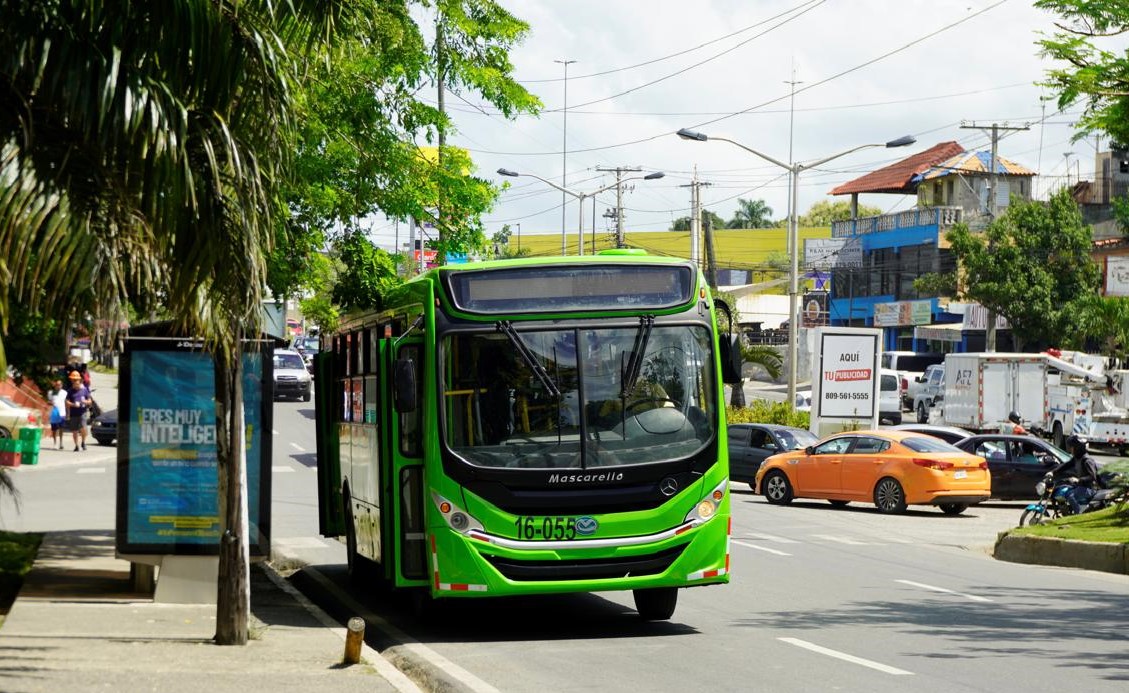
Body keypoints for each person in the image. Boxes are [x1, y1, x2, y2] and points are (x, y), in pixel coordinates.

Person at [1052, 435, 1106, 514]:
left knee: (1071, 496)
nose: (1070, 449)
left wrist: (1078, 480)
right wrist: (1053, 472)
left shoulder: (1087, 460)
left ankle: (1079, 515)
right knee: (1062, 491)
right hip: (1081, 486)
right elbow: (1066, 465)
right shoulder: (1077, 458)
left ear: (1077, 448)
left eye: (1072, 447)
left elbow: (1092, 477)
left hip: (1090, 488)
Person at [64, 369, 93, 452]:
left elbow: (90, 401)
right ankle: (76, 446)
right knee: (74, 431)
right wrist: (72, 405)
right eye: (73, 381)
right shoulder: (70, 391)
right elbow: (66, 402)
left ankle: (83, 442)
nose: (74, 382)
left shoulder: (84, 390)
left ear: (79, 381)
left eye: (76, 381)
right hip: (73, 413)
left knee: (83, 428)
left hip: (82, 412)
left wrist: (86, 402)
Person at [48, 378, 68, 449]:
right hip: (54, 413)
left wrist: (68, 413)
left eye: (59, 385)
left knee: (61, 428)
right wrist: (51, 403)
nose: (58, 386)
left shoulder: (65, 393)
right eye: (57, 385)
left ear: (62, 385)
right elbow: (49, 402)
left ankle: (61, 443)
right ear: (55, 385)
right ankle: (55, 443)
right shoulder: (51, 392)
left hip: (62, 413)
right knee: (54, 429)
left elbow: (66, 402)